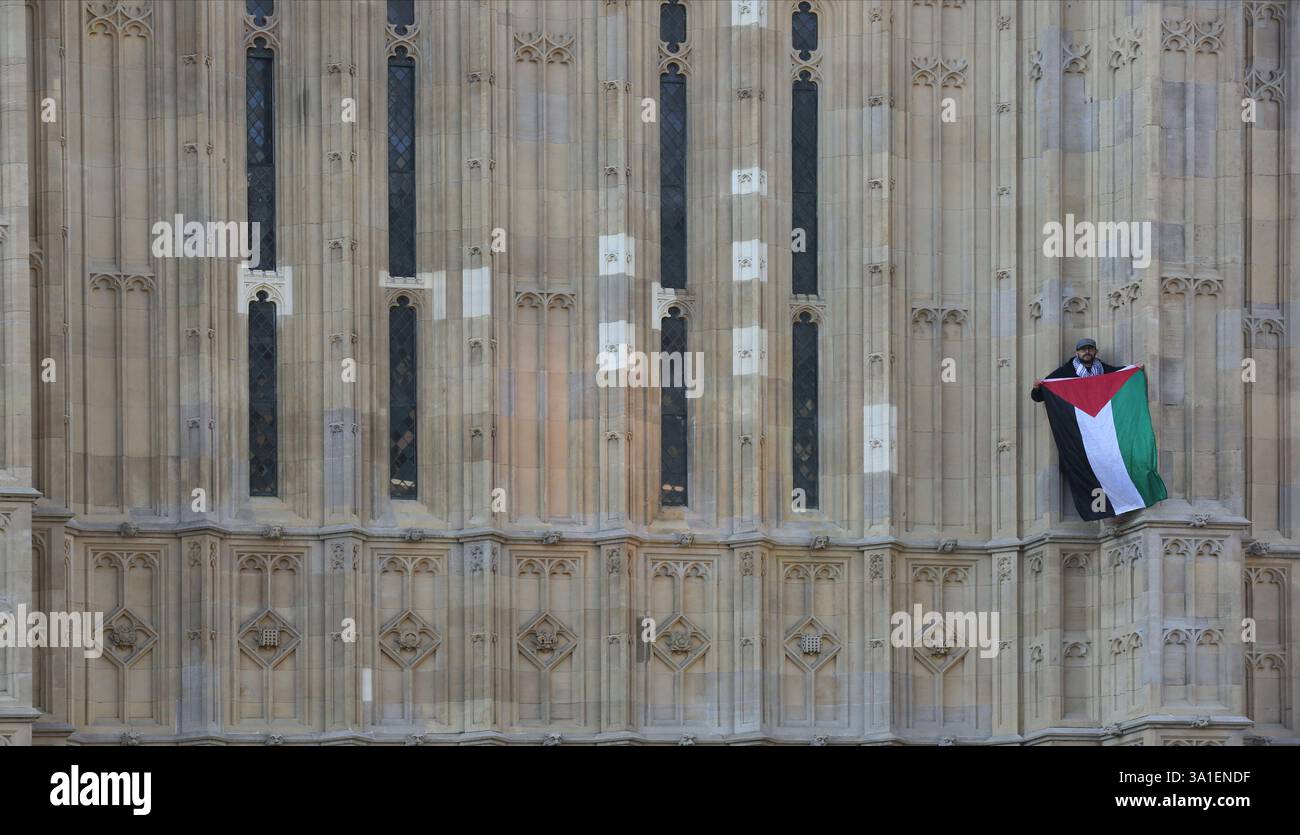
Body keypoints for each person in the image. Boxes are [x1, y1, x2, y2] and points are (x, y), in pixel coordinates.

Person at [1030, 338, 1139, 402]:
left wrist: (1134, 368)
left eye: (1090, 349)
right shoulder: (1066, 371)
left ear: (1096, 351)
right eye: (1083, 349)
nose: (1087, 352)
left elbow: (1119, 373)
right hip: (1076, 422)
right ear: (1077, 353)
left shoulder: (1103, 369)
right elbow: (1040, 396)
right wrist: (1036, 389)